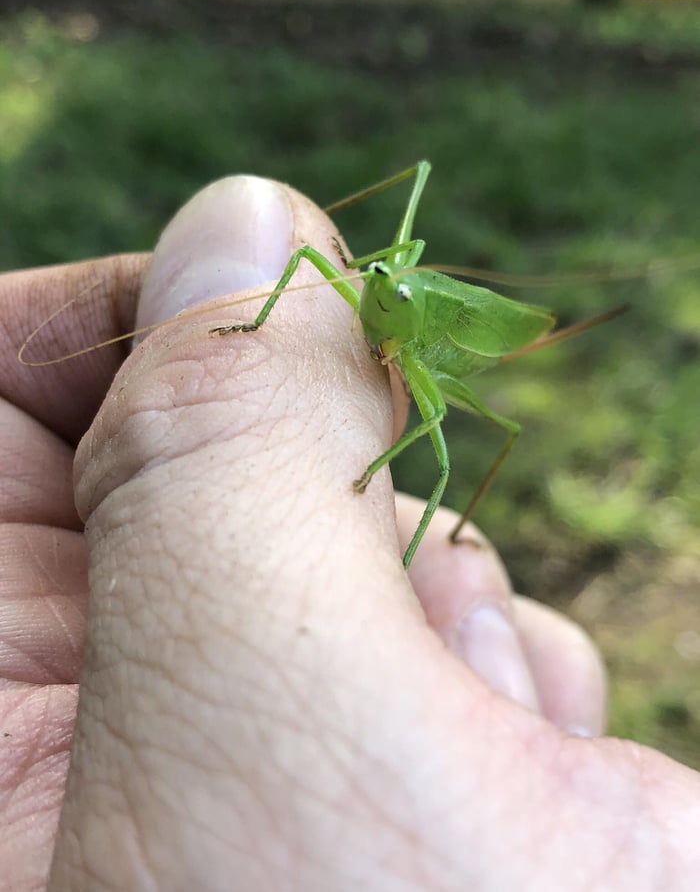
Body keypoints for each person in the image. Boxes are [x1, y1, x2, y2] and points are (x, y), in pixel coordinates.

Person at [1, 175, 698, 891]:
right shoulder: (373, 287)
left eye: (384, 296)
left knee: (454, 440)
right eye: (375, 287)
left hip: (442, 342)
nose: (369, 302)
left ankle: (423, 565)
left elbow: (433, 429)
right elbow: (309, 260)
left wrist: (372, 470)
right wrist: (248, 324)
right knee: (324, 248)